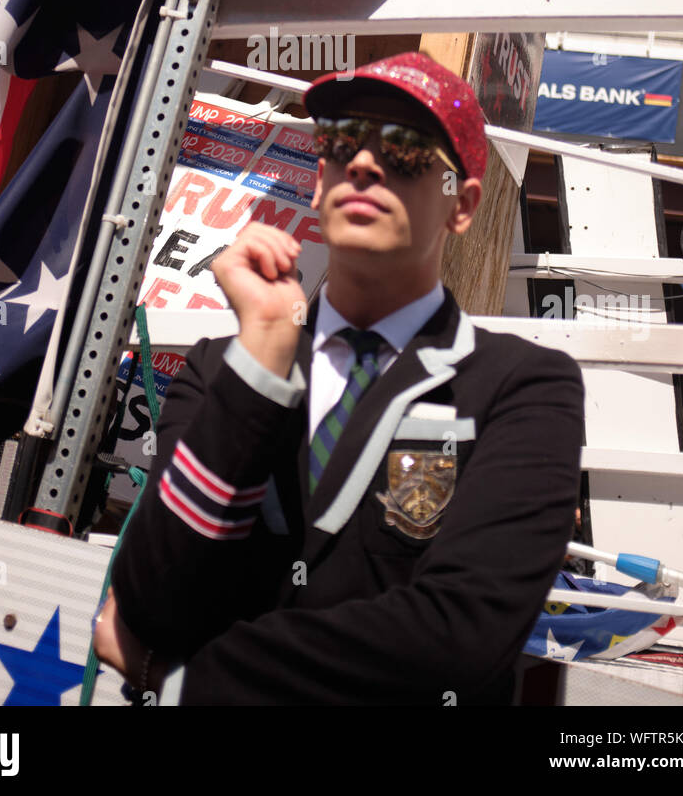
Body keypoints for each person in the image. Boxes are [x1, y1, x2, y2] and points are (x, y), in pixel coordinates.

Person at [94, 51, 584, 705]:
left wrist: (189, 686)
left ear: (461, 206)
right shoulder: (223, 369)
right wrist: (263, 359)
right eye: (341, 142)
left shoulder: (522, 388)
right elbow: (153, 601)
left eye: (404, 148)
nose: (361, 162)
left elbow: (456, 638)